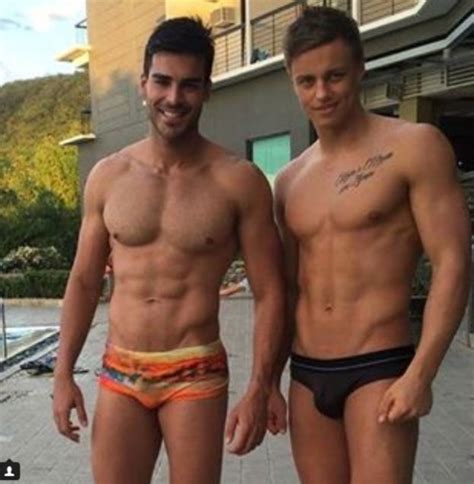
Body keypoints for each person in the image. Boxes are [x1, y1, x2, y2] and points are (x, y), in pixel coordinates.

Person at [52, 17, 285, 484]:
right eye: (162, 81)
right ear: (143, 83)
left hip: (195, 370)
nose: (174, 98)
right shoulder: (108, 176)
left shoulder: (238, 181)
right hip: (120, 369)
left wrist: (261, 387)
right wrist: (62, 374)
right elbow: (83, 280)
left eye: (189, 85)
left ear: (207, 90)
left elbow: (271, 291)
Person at [267, 6, 471, 484]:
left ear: (360, 68)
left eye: (335, 76)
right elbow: (290, 289)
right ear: (293, 82)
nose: (322, 93)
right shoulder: (290, 180)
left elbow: (453, 262)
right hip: (306, 371)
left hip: (378, 365)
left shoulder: (414, 147)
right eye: (307, 81)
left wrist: (422, 373)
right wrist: (268, 382)